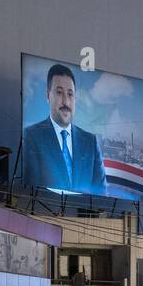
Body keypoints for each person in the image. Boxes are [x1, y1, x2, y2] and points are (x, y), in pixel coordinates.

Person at [19, 63, 108, 195]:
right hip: (42, 211)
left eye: (70, 94)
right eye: (59, 92)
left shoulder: (91, 142)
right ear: (48, 95)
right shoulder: (31, 137)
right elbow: (31, 191)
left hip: (84, 214)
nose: (66, 102)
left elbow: (101, 193)